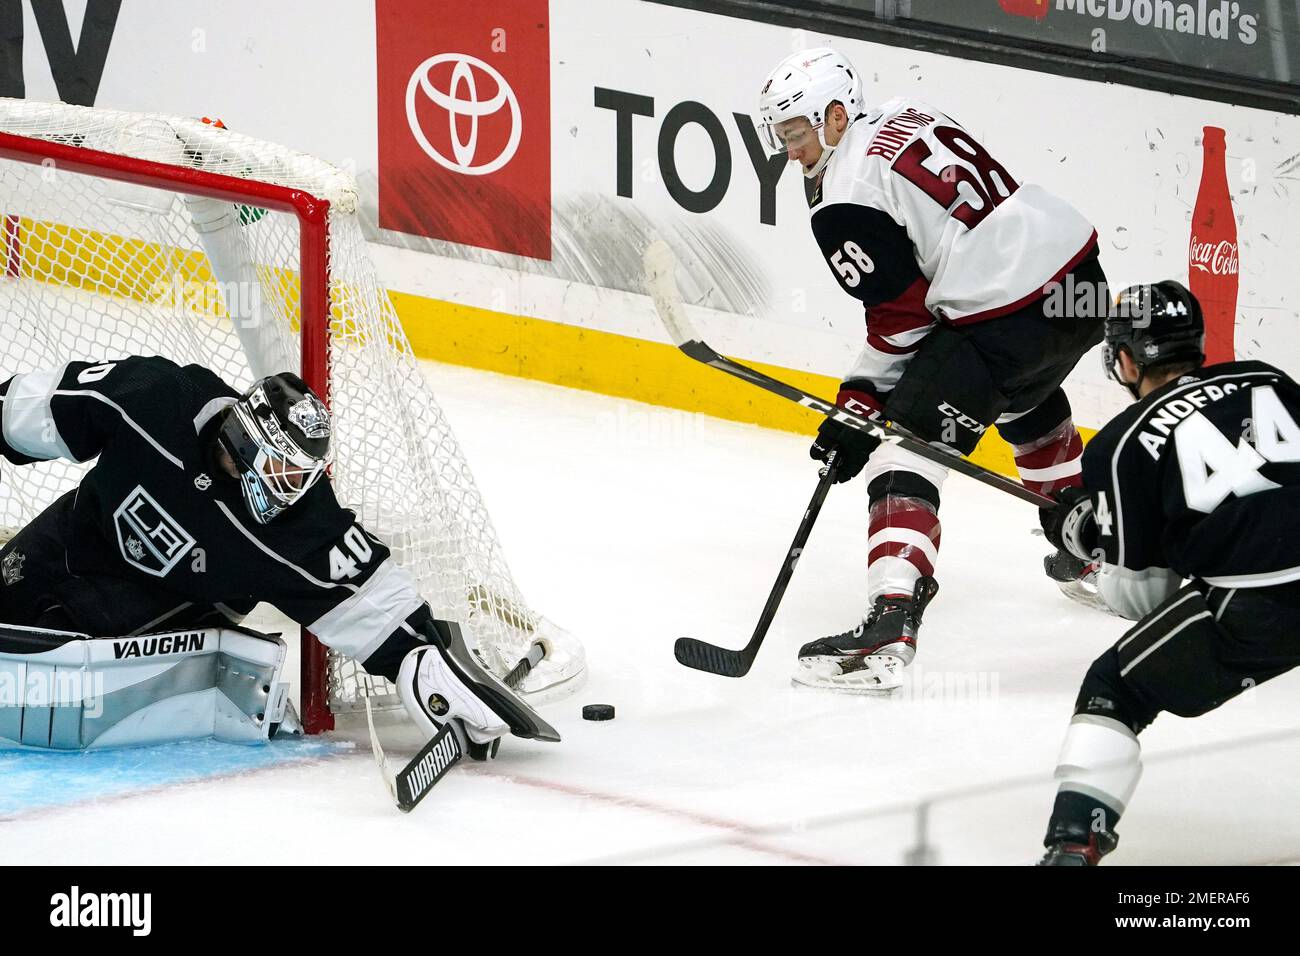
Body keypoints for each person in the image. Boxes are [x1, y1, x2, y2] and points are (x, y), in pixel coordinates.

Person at [757, 47, 1105, 691]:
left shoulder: (842, 200)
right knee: (1019, 392)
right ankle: (1097, 556)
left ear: (836, 116)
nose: (790, 151)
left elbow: (903, 321)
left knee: (905, 451)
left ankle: (890, 621)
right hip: (1079, 285)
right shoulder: (906, 114)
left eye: (798, 133)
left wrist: (860, 404)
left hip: (1006, 310)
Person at [0, 356, 556, 752]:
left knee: (56, 669)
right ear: (245, 440)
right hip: (75, 537)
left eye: (299, 474)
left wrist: (420, 661)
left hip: (174, 603)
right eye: (282, 469)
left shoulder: (303, 523)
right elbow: (37, 406)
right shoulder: (151, 399)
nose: (289, 488)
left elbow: (368, 596)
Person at [1037, 281, 1300, 864]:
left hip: (1263, 603)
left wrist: (1096, 540)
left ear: (1125, 360)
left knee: (1116, 688)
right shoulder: (1270, 378)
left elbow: (1143, 597)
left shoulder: (1120, 444)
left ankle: (1074, 844)